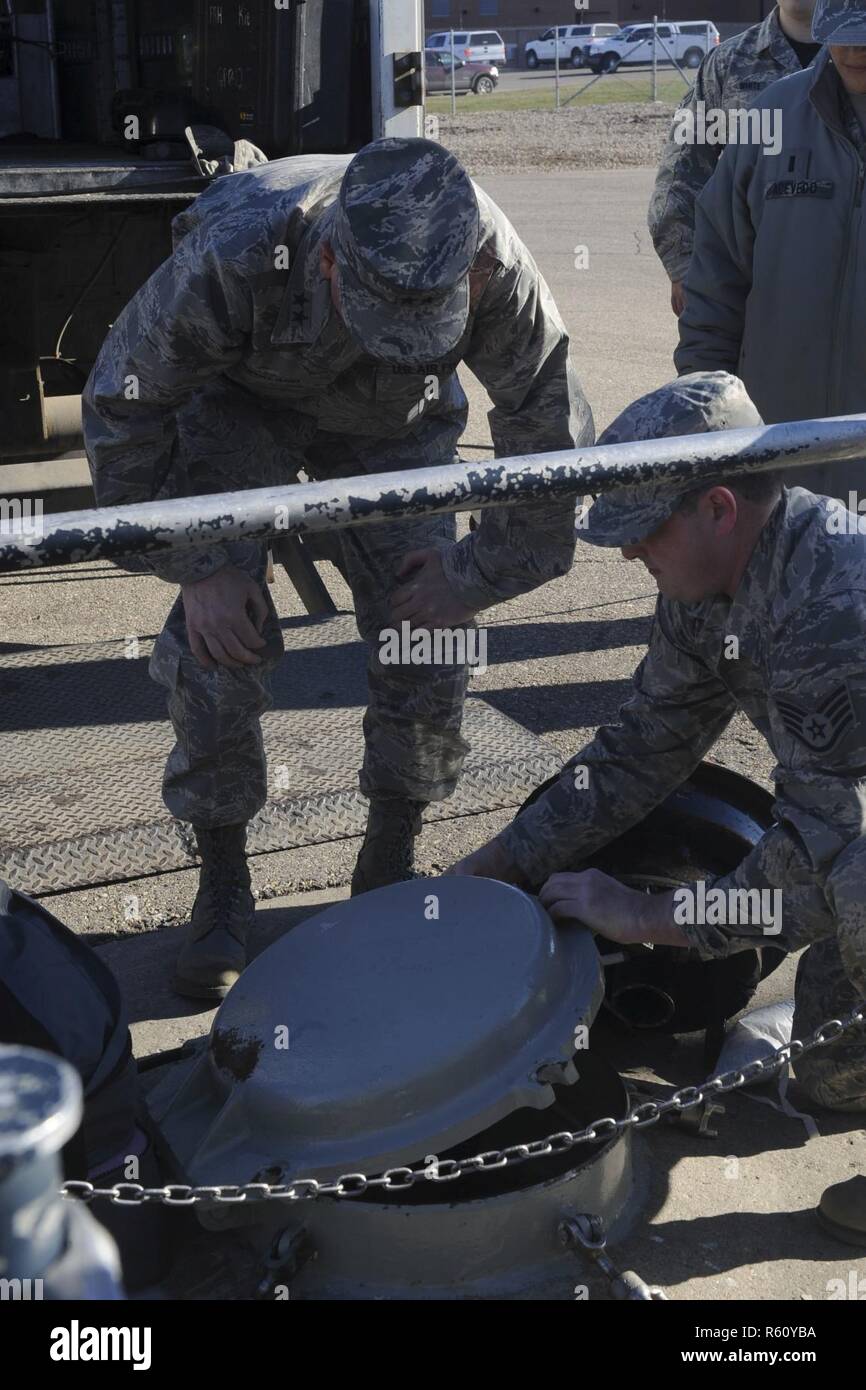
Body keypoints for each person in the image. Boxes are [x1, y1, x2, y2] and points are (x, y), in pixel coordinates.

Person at [82, 137, 593, 999]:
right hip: (241, 405)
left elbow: (548, 439)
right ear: (324, 261)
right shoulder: (236, 251)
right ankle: (222, 875)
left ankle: (392, 844)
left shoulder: (499, 270)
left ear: (468, 279)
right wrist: (199, 566)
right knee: (217, 643)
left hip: (399, 422)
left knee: (430, 637)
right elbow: (122, 409)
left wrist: (472, 576)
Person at [453, 370, 866, 1245]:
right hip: (844, 832)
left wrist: (653, 916)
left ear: (720, 507)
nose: (633, 554)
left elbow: (822, 863)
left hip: (855, 846)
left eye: (646, 534)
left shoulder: (831, 612)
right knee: (834, 1073)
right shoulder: (709, 588)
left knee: (856, 895)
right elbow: (641, 745)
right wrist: (505, 860)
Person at [675, 0, 866, 501]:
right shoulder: (773, 119)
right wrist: (706, 406)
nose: (851, 49)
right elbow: (717, 279)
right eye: (842, 31)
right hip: (775, 461)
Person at [649, 1, 820, 318]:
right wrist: (684, 265)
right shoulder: (727, 66)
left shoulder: (854, 56)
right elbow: (682, 173)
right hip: (752, 291)